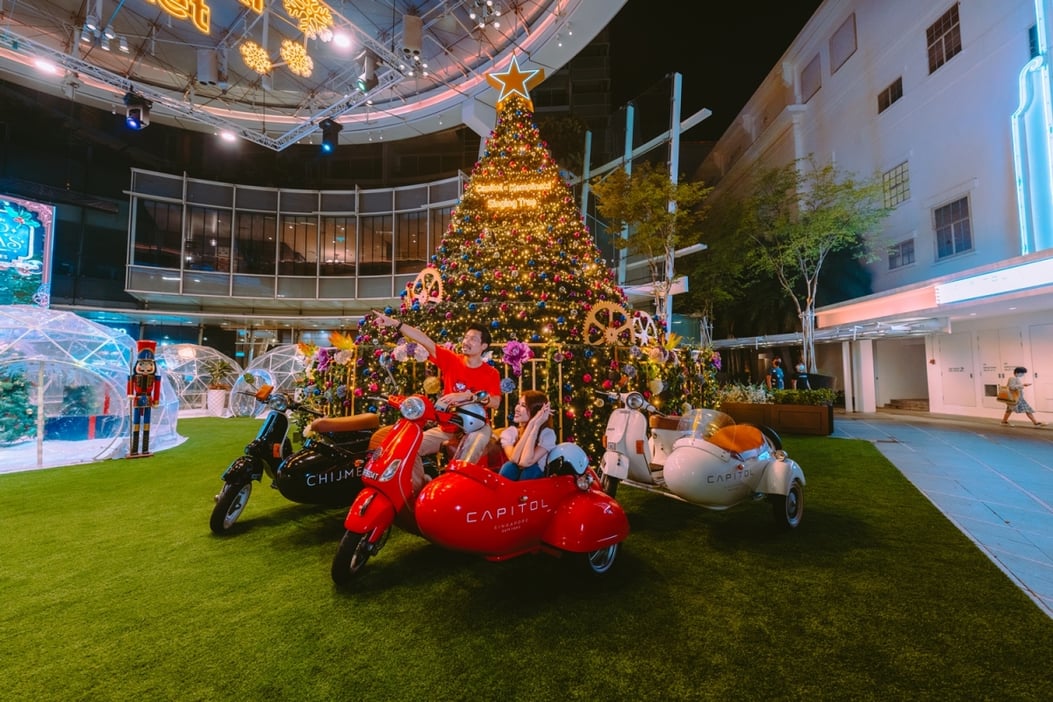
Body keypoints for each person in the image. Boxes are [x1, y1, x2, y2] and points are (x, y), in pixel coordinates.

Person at [371, 311, 502, 474]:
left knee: (466, 459)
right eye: (466, 337)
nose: (466, 341)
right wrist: (395, 323)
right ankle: (420, 488)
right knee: (408, 449)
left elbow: (496, 402)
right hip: (447, 428)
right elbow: (425, 340)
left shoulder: (491, 373)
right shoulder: (452, 361)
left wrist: (469, 396)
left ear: (484, 346)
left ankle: (455, 489)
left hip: (477, 427)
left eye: (473, 339)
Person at [499, 390, 556, 481]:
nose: (517, 408)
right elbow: (514, 459)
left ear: (536, 412)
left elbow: (525, 462)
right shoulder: (510, 432)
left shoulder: (547, 434)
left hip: (536, 481)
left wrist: (535, 426)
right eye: (518, 404)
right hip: (515, 477)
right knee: (509, 466)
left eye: (523, 406)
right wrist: (530, 425)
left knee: (531, 470)